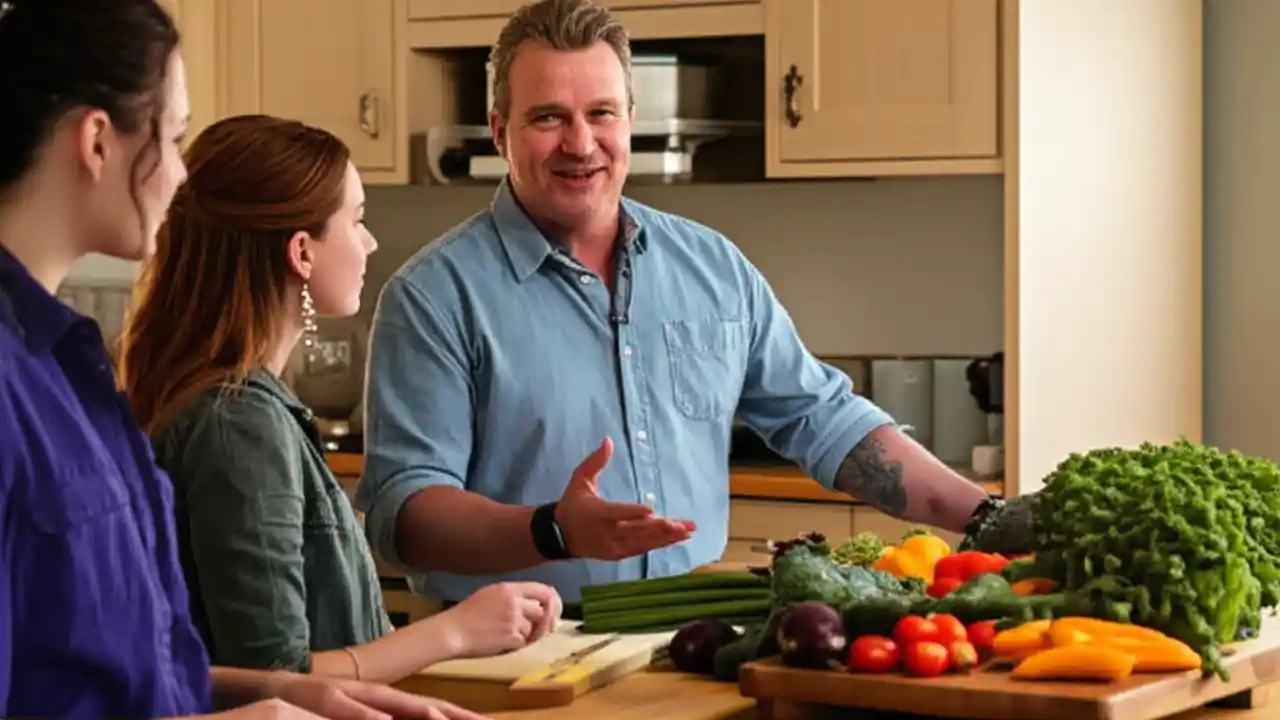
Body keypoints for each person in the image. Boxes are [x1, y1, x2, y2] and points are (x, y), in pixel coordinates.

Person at [355, 0, 1034, 608]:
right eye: (548, 117)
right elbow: (403, 515)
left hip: (686, 636)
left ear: (630, 120)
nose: (580, 144)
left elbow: (824, 419)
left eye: (601, 113)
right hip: (506, 655)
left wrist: (987, 518)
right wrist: (552, 530)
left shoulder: (712, 267)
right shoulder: (434, 296)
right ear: (500, 128)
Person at [0, 1, 481, 717]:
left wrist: (279, 692)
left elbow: (144, 672)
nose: (180, 179)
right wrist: (452, 634)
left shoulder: (70, 372)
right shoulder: (30, 386)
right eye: (174, 138)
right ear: (98, 142)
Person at [119, 113, 564, 684]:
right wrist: (454, 631)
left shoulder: (232, 406)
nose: (370, 241)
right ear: (302, 252)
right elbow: (278, 676)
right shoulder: (240, 423)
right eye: (356, 220)